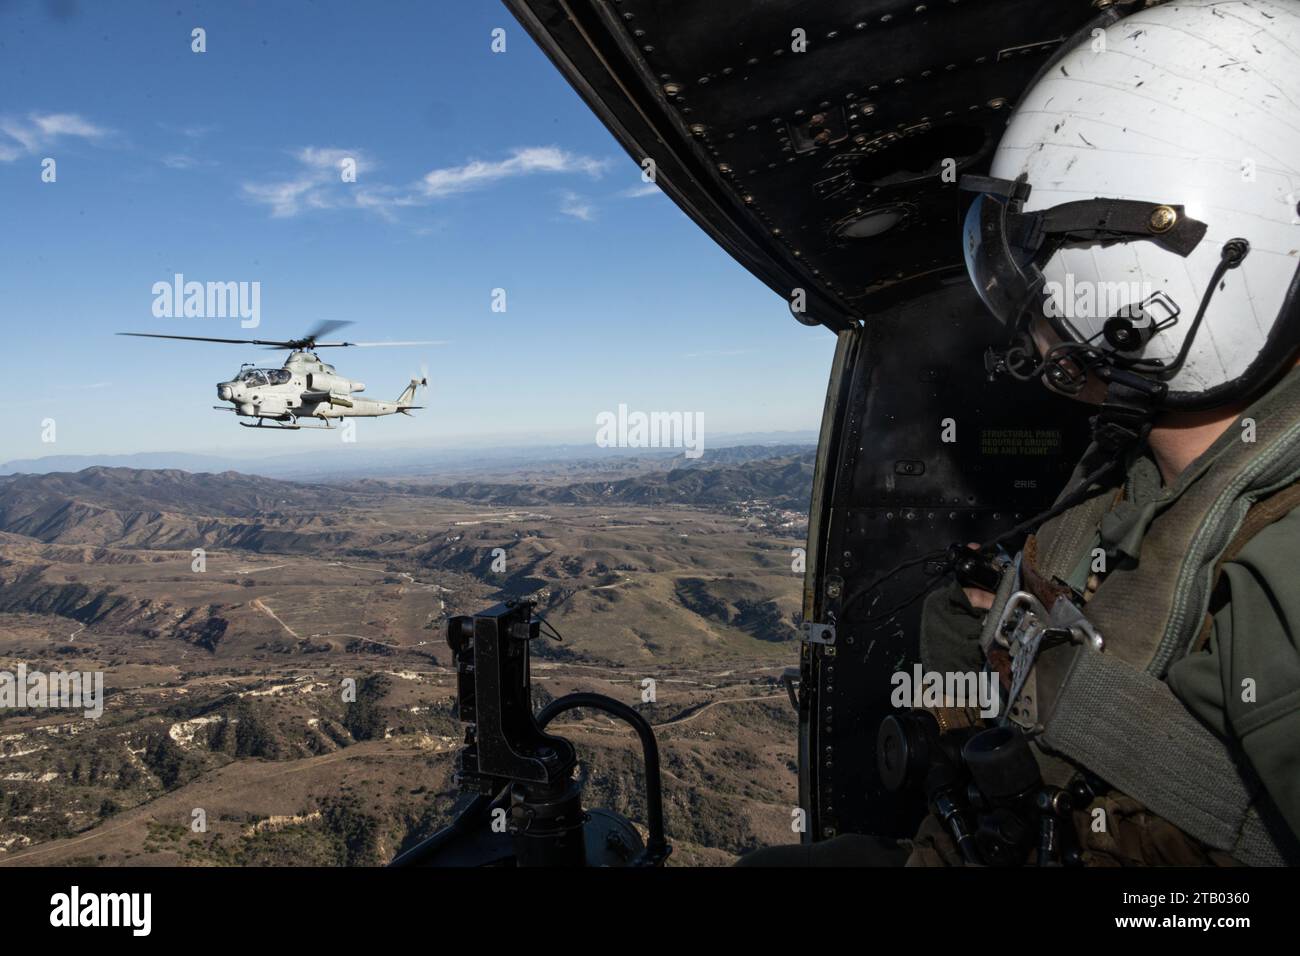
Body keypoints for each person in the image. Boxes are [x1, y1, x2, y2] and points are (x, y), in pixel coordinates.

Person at [740, 0, 1300, 867]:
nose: (1031, 314)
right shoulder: (1133, 478)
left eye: (1041, 260)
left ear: (1137, 264)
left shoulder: (1282, 564)